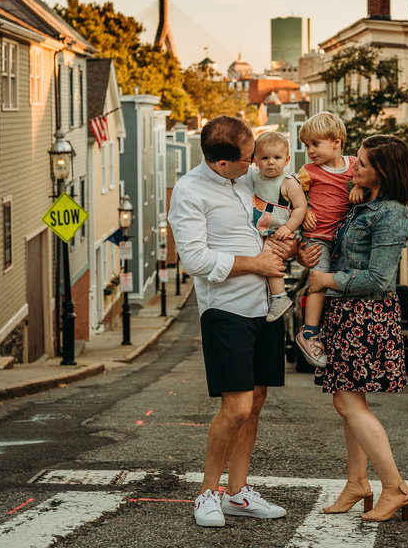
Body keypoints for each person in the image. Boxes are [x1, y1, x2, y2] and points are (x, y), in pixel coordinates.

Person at [167, 115, 290, 528]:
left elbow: (269, 227)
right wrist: (255, 262)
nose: (255, 162)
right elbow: (196, 259)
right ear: (222, 163)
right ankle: (207, 493)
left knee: (255, 404)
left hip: (266, 308)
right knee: (235, 408)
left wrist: (290, 253)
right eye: (247, 157)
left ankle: (237, 493)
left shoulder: (249, 181)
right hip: (226, 311)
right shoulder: (189, 191)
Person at [298, 134, 408, 523]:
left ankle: (395, 488)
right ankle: (357, 484)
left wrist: (326, 281)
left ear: (383, 171)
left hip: (366, 316)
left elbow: (380, 279)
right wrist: (309, 254)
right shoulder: (361, 203)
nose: (354, 168)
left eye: (362, 164)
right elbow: (332, 246)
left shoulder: (392, 213)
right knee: (348, 403)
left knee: (349, 403)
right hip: (345, 314)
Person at [294, 112, 365, 368]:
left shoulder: (355, 165)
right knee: (319, 283)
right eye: (307, 146)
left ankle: (338, 334)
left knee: (345, 286)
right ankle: (309, 332)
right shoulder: (308, 171)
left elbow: (369, 182)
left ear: (336, 142)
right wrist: (306, 211)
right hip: (317, 238)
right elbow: (291, 195)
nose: (310, 151)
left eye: (316, 144)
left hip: (344, 240)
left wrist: (357, 186)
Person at [249, 130, 308, 322]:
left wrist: (289, 228)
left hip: (281, 230)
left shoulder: (288, 182)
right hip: (266, 229)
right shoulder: (255, 178)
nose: (270, 162)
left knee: (269, 257)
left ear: (287, 159)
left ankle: (280, 297)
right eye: (264, 158)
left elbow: (300, 207)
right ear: (256, 160)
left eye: (277, 157)